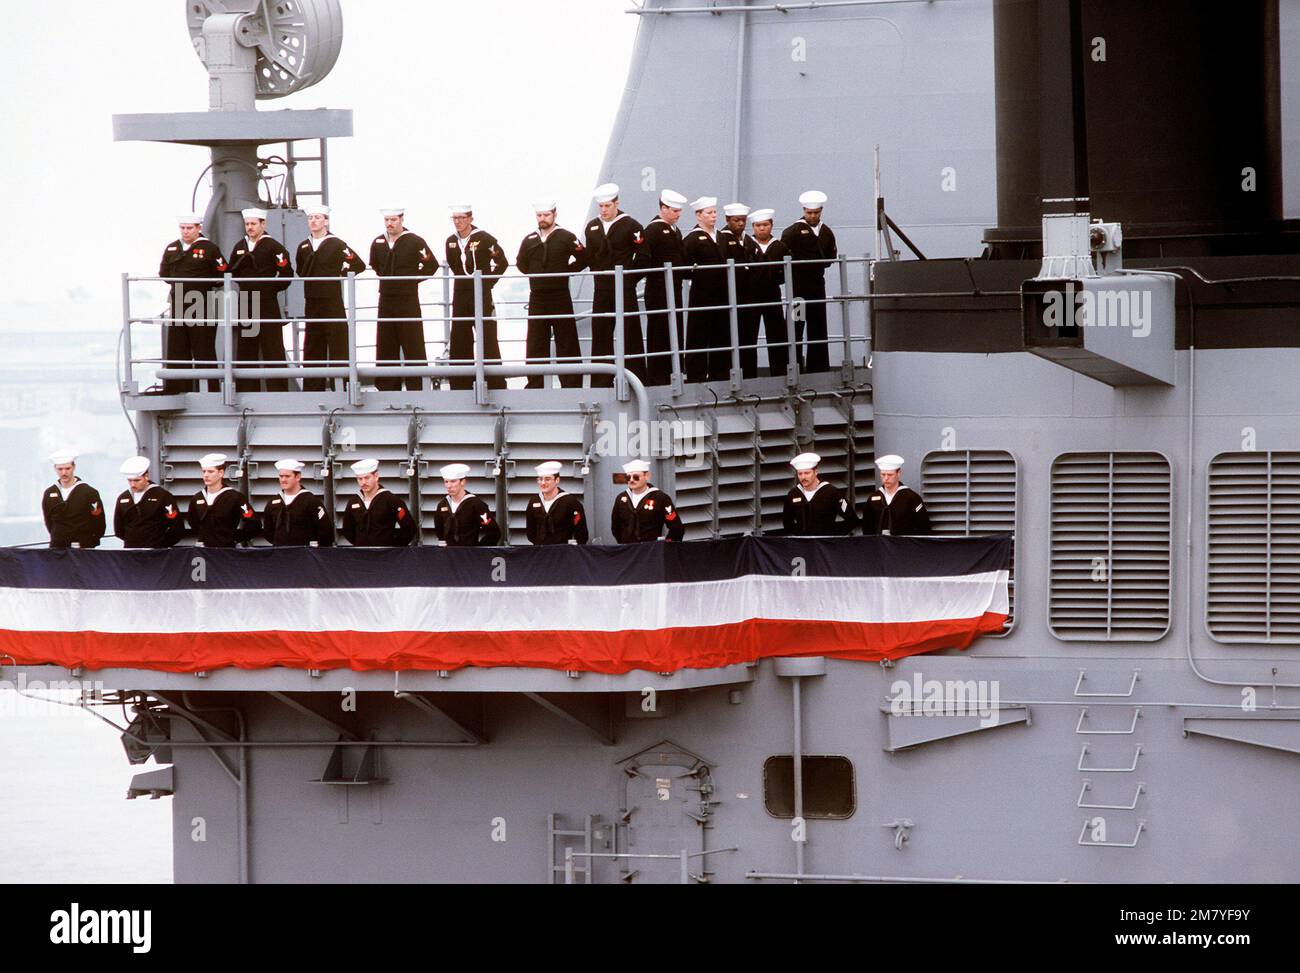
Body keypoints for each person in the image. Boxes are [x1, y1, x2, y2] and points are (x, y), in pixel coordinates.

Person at [296, 203, 366, 392]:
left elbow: (357, 264)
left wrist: (341, 272)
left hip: (332, 299)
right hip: (311, 300)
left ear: (325, 221)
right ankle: (312, 388)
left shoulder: (336, 244)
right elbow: (300, 269)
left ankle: (342, 387)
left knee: (337, 343)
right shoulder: (304, 246)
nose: (313, 221)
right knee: (312, 344)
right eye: (311, 218)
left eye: (317, 218)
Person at [516, 201, 586, 389]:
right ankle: (535, 384)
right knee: (536, 342)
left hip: (560, 295)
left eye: (546, 215)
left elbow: (583, 257)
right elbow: (521, 263)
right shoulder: (530, 239)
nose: (542, 219)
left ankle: (572, 384)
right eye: (539, 215)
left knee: (566, 341)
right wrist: (536, 273)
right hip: (537, 296)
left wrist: (566, 270)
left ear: (555, 214)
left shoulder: (566, 236)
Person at [369, 206, 439, 392]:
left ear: (401, 220)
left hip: (407, 298)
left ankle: (417, 386)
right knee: (385, 342)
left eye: (393, 220)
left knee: (412, 342)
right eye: (387, 220)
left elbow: (431, 265)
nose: (390, 224)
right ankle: (387, 386)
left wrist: (412, 279)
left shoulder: (414, 241)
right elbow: (376, 265)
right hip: (385, 298)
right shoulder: (378, 242)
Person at [584, 183, 646, 387]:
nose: (604, 210)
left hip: (624, 289)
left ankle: (636, 378)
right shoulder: (592, 227)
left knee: (630, 333)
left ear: (616, 203)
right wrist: (598, 275)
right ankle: (600, 380)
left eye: (608, 205)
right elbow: (591, 256)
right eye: (600, 206)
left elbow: (644, 257)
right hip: (601, 290)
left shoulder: (631, 226)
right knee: (601, 333)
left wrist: (629, 279)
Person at [158, 212, 227, 394]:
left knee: (204, 348)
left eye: (189, 228)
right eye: (183, 228)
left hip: (201, 304)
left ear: (198, 228)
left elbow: (222, 273)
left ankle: (212, 391)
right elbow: (164, 273)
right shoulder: (173, 248)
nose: (186, 232)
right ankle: (177, 390)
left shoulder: (209, 249)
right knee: (177, 348)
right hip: (179, 302)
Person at [228, 207, 295, 392]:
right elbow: (232, 270)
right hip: (246, 302)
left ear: (263, 224)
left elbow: (286, 272)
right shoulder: (240, 246)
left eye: (253, 224)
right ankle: (247, 390)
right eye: (247, 224)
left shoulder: (273, 246)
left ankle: (278, 390)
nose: (249, 227)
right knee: (246, 347)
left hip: (266, 302)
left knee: (272, 346)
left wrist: (270, 288)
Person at [445, 204, 509, 391]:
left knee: (487, 336)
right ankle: (460, 384)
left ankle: (495, 382)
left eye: (462, 218)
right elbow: (454, 265)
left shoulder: (484, 238)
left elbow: (501, 263)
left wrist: (487, 283)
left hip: (481, 292)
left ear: (470, 219)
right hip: (460, 293)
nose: (458, 222)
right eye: (455, 218)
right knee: (459, 337)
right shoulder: (450, 241)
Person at [635, 189, 688, 386]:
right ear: (663, 208)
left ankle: (674, 370)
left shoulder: (675, 231)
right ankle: (658, 375)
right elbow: (644, 259)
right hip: (657, 289)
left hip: (674, 288)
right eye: (674, 210)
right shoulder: (653, 230)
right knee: (659, 332)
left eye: (679, 211)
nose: (678, 214)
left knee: (675, 328)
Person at [781, 190, 838, 373]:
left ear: (821, 211)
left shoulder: (826, 232)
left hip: (816, 286)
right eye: (809, 212)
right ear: (804, 210)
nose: (812, 216)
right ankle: (793, 366)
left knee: (818, 326)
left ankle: (818, 367)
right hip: (798, 287)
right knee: (795, 326)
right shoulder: (793, 231)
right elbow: (782, 255)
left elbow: (830, 256)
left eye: (816, 213)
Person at [683, 197, 729, 382]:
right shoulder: (693, 239)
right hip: (702, 293)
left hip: (721, 293)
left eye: (714, 212)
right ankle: (696, 374)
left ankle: (720, 372)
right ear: (698, 215)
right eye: (709, 213)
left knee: (720, 333)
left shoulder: (722, 237)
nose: (713, 216)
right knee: (698, 333)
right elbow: (684, 266)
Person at [743, 208, 791, 377]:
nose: (761, 228)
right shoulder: (747, 246)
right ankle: (749, 375)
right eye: (757, 225)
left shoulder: (780, 247)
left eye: (765, 225)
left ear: (771, 225)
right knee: (748, 336)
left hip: (772, 295)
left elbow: (786, 273)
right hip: (751, 297)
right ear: (753, 227)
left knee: (777, 334)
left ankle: (779, 373)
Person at [339, 458, 417, 547]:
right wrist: (359, 542)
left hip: (386, 555)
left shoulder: (391, 500)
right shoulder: (353, 502)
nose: (363, 482)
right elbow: (347, 529)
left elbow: (409, 528)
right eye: (360, 479)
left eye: (367, 477)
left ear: (376, 476)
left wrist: (394, 547)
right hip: (361, 554)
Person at [187, 453, 259, 548]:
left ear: (221, 473)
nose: (206, 475)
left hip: (228, 550)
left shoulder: (235, 497)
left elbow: (254, 523)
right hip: (204, 551)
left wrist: (234, 538)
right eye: (204, 471)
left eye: (210, 472)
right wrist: (204, 536)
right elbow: (193, 522)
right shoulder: (197, 498)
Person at [113, 456, 184, 549]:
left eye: (137, 480)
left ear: (146, 476)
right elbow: (118, 529)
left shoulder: (162, 496)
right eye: (129, 481)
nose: (132, 484)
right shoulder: (123, 498)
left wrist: (161, 544)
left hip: (157, 552)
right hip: (131, 552)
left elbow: (177, 527)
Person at [781, 452, 860, 536]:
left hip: (825, 546)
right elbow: (787, 522)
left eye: (807, 473)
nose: (803, 477)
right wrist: (799, 535)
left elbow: (852, 520)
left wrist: (833, 534)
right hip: (803, 546)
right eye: (800, 474)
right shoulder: (794, 494)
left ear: (816, 472)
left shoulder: (831, 492)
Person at [718, 202, 756, 378]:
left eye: (743, 220)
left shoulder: (748, 240)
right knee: (727, 335)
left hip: (747, 294)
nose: (740, 224)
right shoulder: (723, 238)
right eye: (736, 220)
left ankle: (748, 373)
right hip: (729, 294)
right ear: (728, 220)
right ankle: (727, 372)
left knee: (747, 335)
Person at [42, 450, 105, 549]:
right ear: (55, 469)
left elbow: (99, 522)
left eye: (67, 468)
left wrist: (89, 541)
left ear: (74, 467)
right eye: (60, 469)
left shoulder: (89, 492)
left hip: (83, 547)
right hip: (57, 548)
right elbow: (48, 520)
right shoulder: (49, 493)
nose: (64, 473)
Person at [262, 458, 334, 547]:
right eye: (281, 476)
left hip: (305, 556)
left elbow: (326, 532)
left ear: (298, 477)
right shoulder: (273, 503)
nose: (283, 480)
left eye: (287, 476)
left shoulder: (311, 501)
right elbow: (268, 532)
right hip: (280, 556)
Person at [611, 459, 684, 543]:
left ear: (647, 476)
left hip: (651, 551)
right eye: (628, 477)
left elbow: (677, 528)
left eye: (636, 477)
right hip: (628, 551)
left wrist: (666, 546)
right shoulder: (621, 499)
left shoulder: (660, 498)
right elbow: (615, 527)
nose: (631, 480)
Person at [861, 455, 931, 536]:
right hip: (879, 546)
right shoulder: (873, 499)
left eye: (890, 475)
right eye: (883, 475)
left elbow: (924, 527)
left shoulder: (912, 498)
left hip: (904, 546)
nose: (886, 478)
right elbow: (866, 528)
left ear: (898, 473)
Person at [433, 463, 500, 546]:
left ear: (463, 482)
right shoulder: (442, 505)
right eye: (446, 481)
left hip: (470, 554)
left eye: (453, 481)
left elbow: (494, 532)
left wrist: (480, 550)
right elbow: (439, 529)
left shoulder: (476, 505)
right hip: (449, 554)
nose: (448, 486)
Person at [523, 461, 589, 545]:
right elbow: (531, 533)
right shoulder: (533, 502)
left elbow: (582, 534)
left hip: (563, 553)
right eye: (540, 479)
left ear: (557, 480)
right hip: (541, 552)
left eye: (547, 479)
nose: (543, 483)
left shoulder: (571, 503)